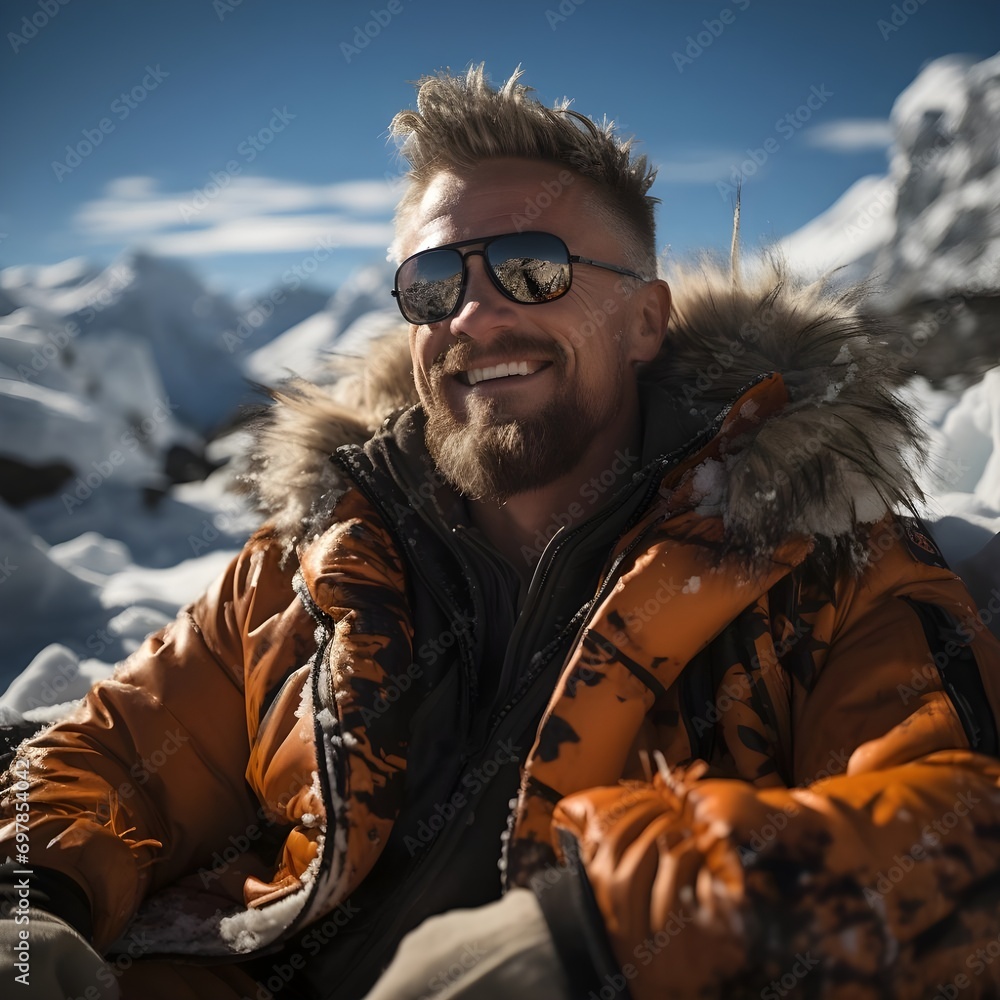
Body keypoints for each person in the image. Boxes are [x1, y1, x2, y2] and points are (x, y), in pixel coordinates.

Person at [3, 64, 1000, 1000]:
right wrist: (34, 902)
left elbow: (959, 827)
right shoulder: (314, 559)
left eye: (532, 267)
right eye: (434, 282)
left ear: (646, 320)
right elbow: (110, 750)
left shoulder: (813, 558)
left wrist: (594, 935)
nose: (475, 314)